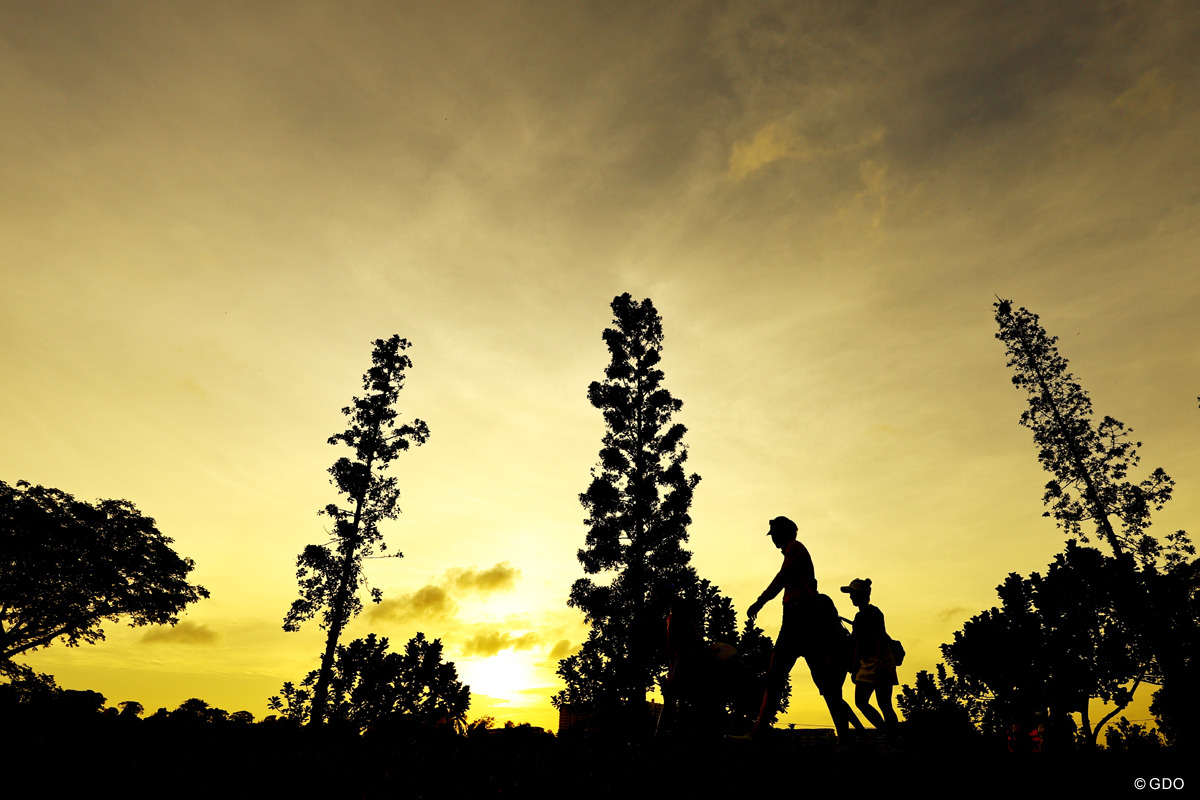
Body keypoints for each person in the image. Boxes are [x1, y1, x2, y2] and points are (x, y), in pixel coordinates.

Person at [745, 516, 862, 739]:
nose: (773, 539)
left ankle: (758, 734)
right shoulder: (794, 551)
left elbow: (782, 578)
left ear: (784, 532)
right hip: (798, 623)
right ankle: (847, 738)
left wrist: (760, 601)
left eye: (774, 533)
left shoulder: (795, 549)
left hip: (800, 623)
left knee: (782, 678)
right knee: (794, 680)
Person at [841, 578, 899, 734]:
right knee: (885, 705)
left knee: (861, 702)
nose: (850, 597)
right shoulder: (874, 612)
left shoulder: (862, 616)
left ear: (859, 595)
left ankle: (887, 733)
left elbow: (861, 643)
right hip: (883, 660)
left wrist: (854, 668)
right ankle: (893, 737)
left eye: (852, 594)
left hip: (874, 662)